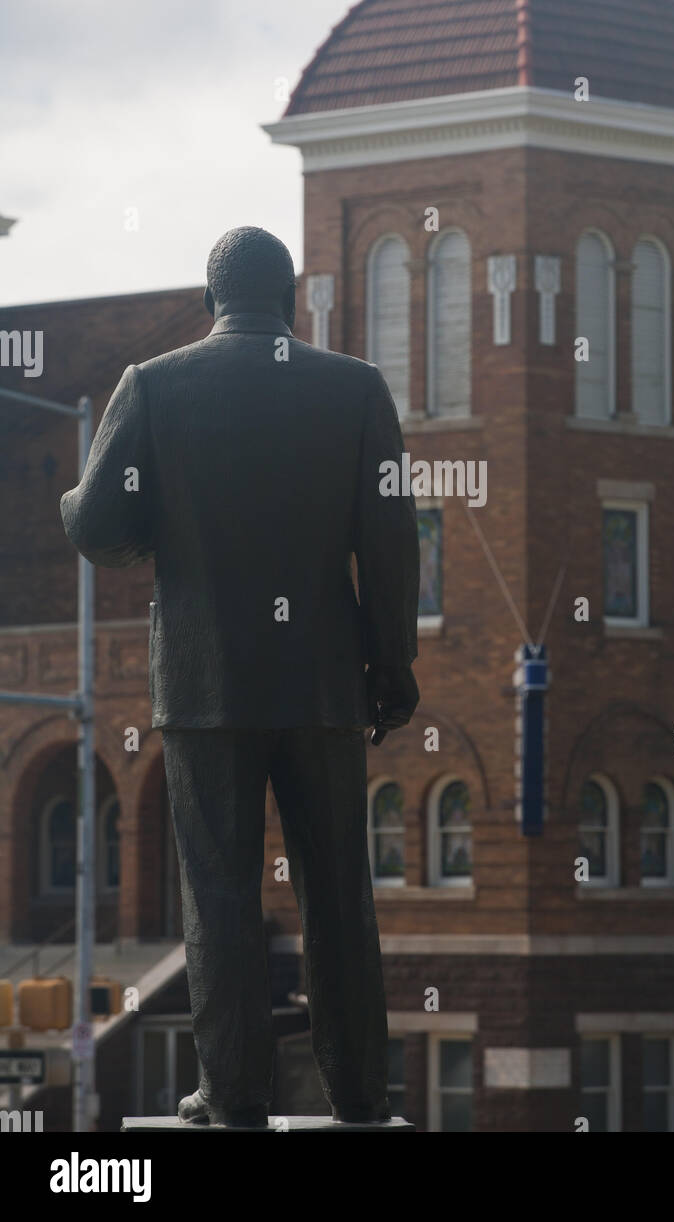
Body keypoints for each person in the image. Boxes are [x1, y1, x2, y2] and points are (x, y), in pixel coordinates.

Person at [60, 226, 420, 1127]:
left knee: (218, 889)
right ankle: (362, 1095)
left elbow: (98, 524)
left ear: (212, 299)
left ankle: (233, 1096)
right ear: (290, 300)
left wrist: (113, 512)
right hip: (323, 686)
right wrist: (393, 660)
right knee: (338, 891)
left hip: (206, 682)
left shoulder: (154, 385)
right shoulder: (354, 388)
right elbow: (388, 538)